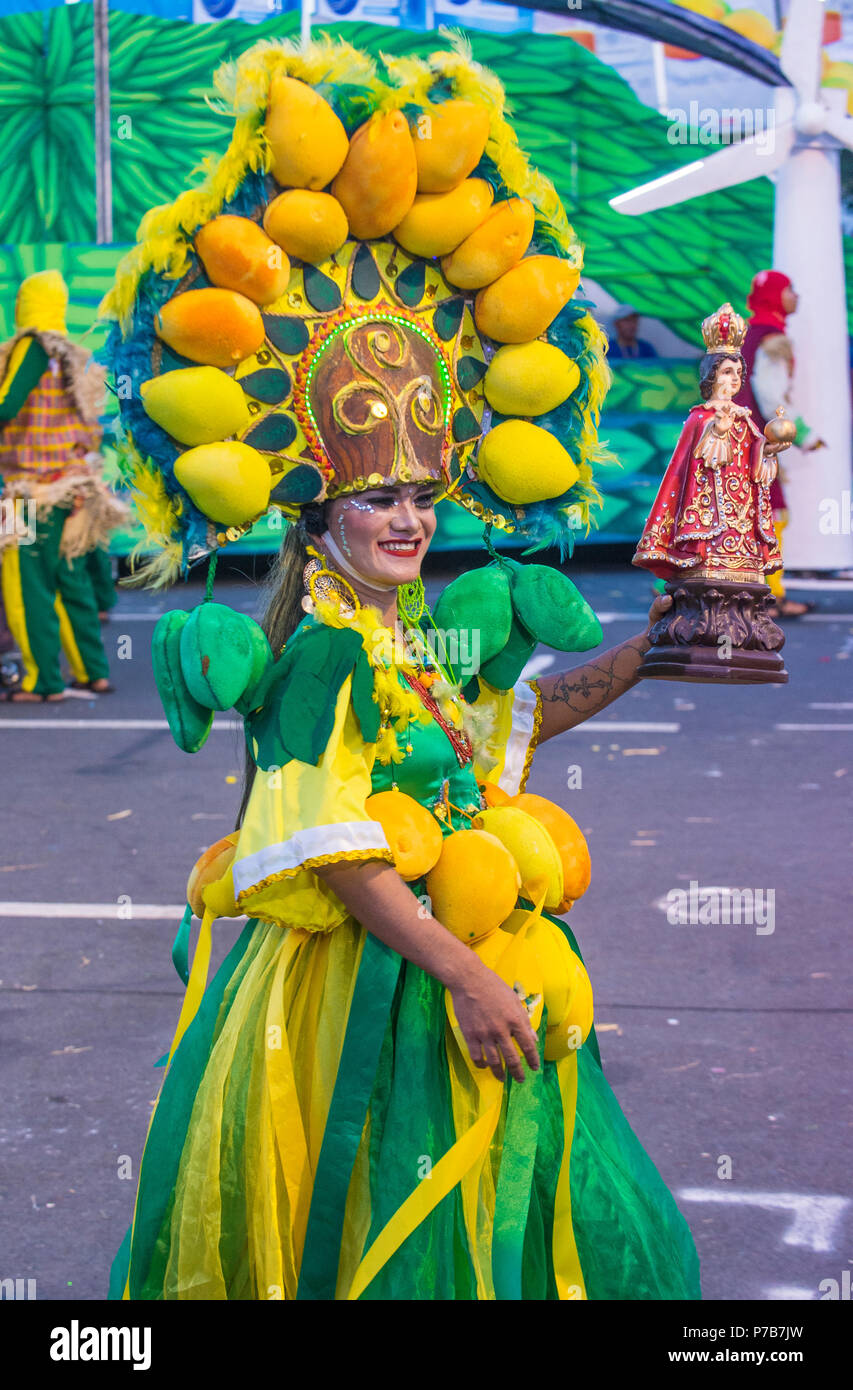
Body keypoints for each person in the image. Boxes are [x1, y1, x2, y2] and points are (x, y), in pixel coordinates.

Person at [105, 34, 700, 1301]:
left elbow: (506, 721)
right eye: (379, 498)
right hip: (363, 983)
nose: (410, 519)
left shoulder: (412, 622)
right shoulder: (315, 639)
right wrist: (468, 971)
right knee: (370, 1214)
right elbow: (325, 836)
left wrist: (661, 650)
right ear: (317, 508)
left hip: (455, 944)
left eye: (422, 495)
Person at [0, 271, 125, 701]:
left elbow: (5, 406)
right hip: (70, 489)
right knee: (71, 583)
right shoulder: (70, 355)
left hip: (29, 493)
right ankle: (93, 671)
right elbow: (88, 430)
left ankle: (42, 681)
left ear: (27, 303)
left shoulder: (30, 347)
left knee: (26, 585)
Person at [633, 303, 784, 583]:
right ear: (711, 375)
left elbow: (757, 471)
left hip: (741, 522)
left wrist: (767, 452)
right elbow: (704, 461)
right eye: (727, 372)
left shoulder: (745, 420)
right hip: (708, 516)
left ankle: (744, 559)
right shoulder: (700, 418)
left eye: (738, 373)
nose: (734, 379)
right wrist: (717, 431)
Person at [736, 269, 825, 618]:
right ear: (775, 297)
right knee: (772, 514)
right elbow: (770, 393)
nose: (796, 296)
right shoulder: (772, 339)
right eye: (790, 290)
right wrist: (802, 434)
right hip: (757, 441)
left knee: (739, 513)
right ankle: (770, 597)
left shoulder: (749, 334)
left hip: (738, 437)